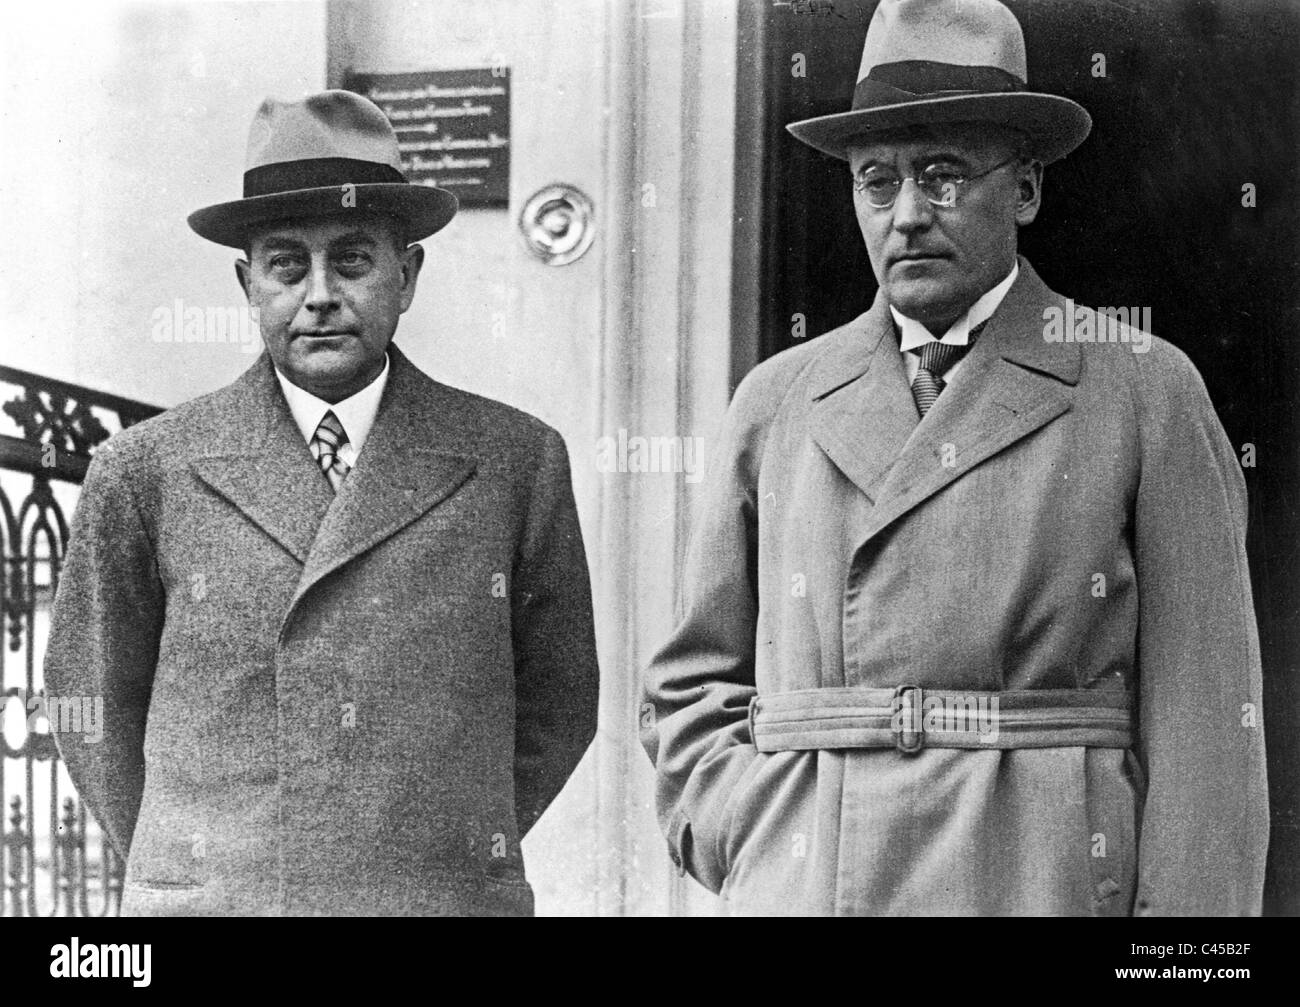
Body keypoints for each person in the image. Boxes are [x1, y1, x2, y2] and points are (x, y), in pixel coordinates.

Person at [641, 0, 1267, 915]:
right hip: (814, 877)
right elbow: (691, 682)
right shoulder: (776, 401)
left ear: (1024, 190)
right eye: (876, 181)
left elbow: (1210, 727)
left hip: (1042, 877)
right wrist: (746, 827)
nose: (906, 217)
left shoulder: (1142, 389)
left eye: (942, 176)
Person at [45, 90, 600, 916]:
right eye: (286, 264)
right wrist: (191, 860)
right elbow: (88, 703)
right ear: (246, 283)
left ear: (406, 275)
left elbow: (561, 700)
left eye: (351, 260)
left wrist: (444, 845)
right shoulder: (144, 471)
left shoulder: (515, 462)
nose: (319, 295)